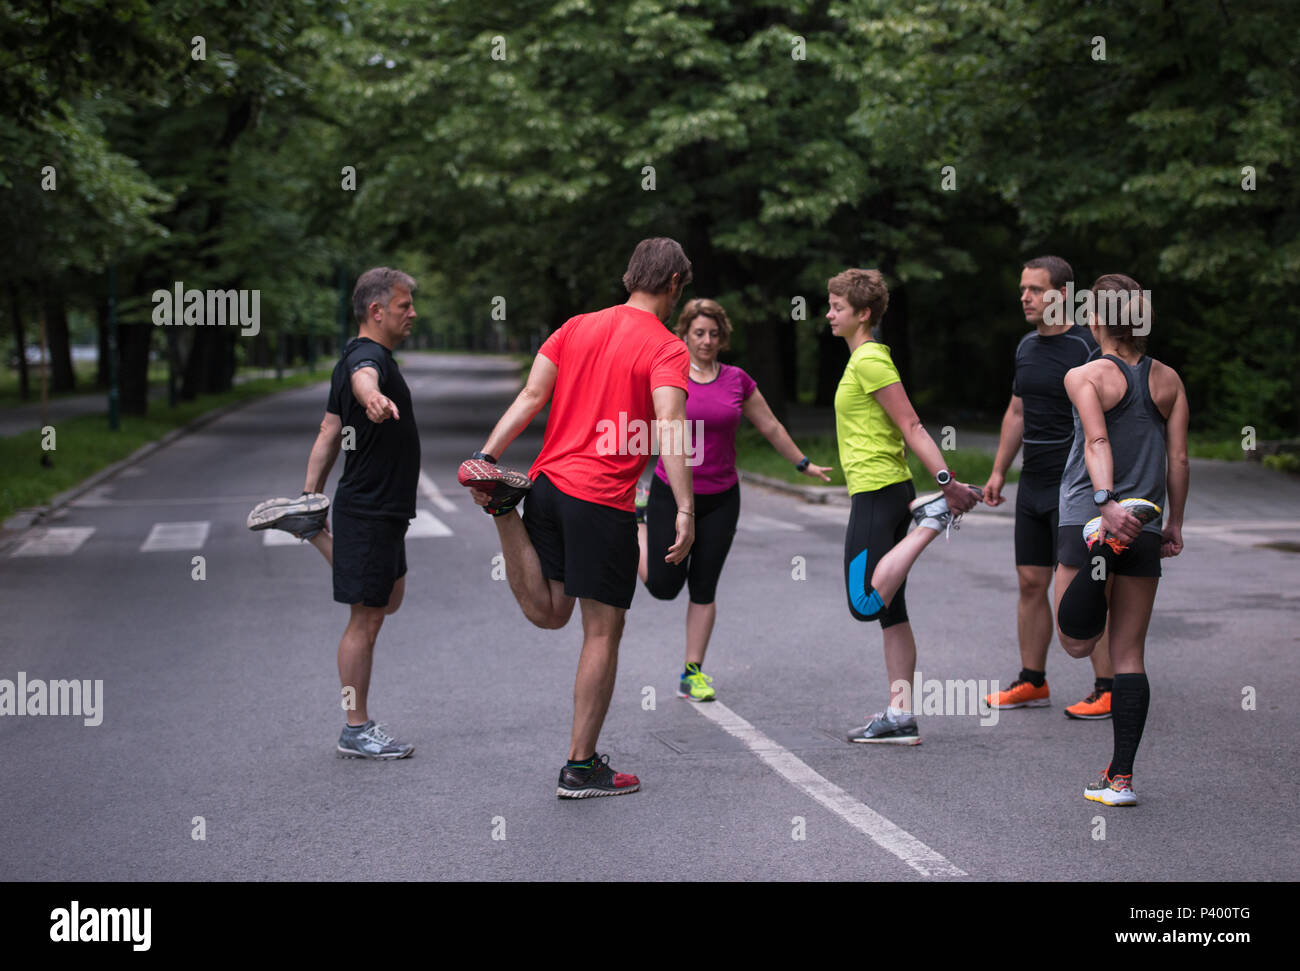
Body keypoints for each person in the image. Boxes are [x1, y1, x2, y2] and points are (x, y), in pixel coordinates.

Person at [460, 238, 696, 798]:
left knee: (550, 611)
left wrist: (487, 456)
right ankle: (581, 765)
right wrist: (684, 507)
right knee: (603, 629)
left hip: (546, 486)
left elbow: (531, 395)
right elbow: (669, 428)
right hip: (602, 500)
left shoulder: (576, 326)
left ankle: (503, 509)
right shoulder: (668, 348)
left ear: (628, 275)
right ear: (672, 285)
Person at [247, 267, 421, 759]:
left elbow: (328, 429)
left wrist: (311, 495)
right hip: (369, 508)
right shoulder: (368, 360)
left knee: (390, 599)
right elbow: (365, 385)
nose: (413, 313)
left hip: (384, 509)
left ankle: (306, 524)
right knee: (365, 618)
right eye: (405, 305)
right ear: (376, 310)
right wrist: (372, 398)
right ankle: (355, 727)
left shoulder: (356, 355)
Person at [636, 298, 832, 702]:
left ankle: (692, 672)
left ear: (722, 337)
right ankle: (635, 525)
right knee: (662, 586)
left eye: (713, 334)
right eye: (698, 333)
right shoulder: (669, 375)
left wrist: (803, 464)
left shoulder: (737, 380)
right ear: (685, 334)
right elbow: (641, 422)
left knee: (704, 586)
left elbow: (772, 426)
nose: (706, 341)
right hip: (670, 494)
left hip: (722, 497)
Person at [828, 268, 982, 745]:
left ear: (863, 313)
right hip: (883, 490)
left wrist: (946, 483)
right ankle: (900, 717)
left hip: (878, 493)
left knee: (864, 602)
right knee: (891, 611)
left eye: (838, 307)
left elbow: (912, 424)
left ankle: (931, 522)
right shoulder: (863, 360)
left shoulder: (870, 359)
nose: (829, 314)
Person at [1052, 274, 1188, 806]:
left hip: (1092, 516)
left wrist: (1105, 504)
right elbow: (1178, 459)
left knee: (1076, 642)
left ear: (1096, 321)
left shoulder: (1084, 375)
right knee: (1129, 654)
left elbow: (1096, 438)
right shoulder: (1170, 380)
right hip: (1146, 521)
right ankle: (1121, 781)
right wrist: (1174, 523)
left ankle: (1098, 554)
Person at [983, 256, 1116, 719]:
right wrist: (1000, 470)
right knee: (1030, 581)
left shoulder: (1087, 347)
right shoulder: (1025, 347)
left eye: (1035, 290)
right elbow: (1016, 411)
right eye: (1023, 289)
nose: (1025, 297)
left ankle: (1108, 685)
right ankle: (1032, 680)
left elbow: (1108, 418)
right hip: (1034, 482)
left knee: (1082, 585)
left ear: (1062, 295)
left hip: (1074, 484)